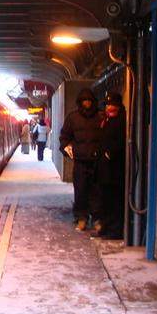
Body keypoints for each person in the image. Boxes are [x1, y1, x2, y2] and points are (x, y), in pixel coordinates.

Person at [58, 88, 102, 231]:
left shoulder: (100, 116)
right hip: (81, 162)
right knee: (81, 191)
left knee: (97, 192)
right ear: (80, 102)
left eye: (89, 100)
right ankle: (81, 218)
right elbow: (64, 136)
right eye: (84, 101)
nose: (87, 103)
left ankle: (96, 219)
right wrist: (67, 148)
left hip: (97, 162)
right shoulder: (73, 118)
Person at [90, 90, 126, 240]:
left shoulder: (120, 121)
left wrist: (109, 153)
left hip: (113, 171)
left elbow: (119, 142)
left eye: (112, 105)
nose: (109, 107)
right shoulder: (107, 120)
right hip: (104, 170)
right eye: (108, 104)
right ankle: (105, 227)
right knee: (105, 200)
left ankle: (114, 230)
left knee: (114, 201)